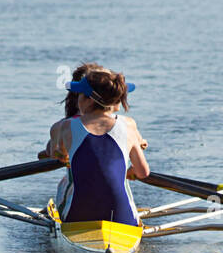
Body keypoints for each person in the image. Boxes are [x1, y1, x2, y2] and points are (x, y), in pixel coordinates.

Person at [39, 65, 149, 226]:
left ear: (87, 99)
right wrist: (127, 172)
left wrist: (61, 155)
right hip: (121, 217)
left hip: (78, 216)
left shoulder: (65, 126)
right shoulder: (128, 125)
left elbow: (60, 156)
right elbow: (143, 172)